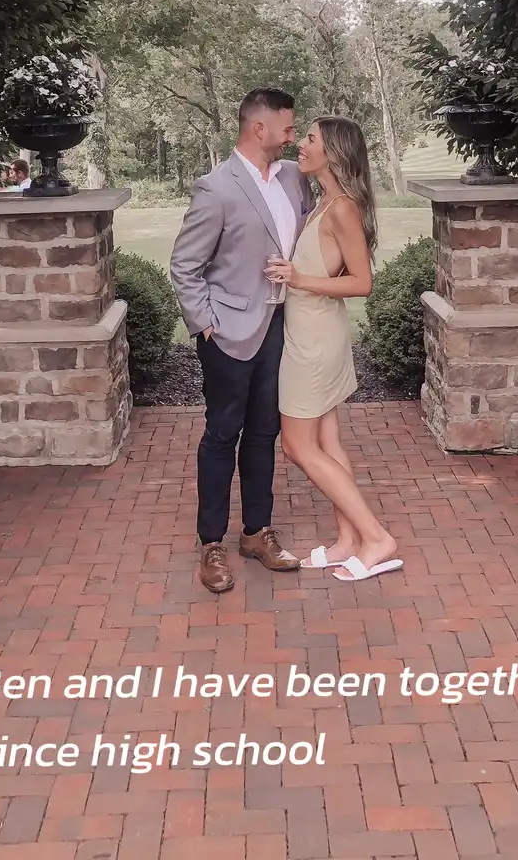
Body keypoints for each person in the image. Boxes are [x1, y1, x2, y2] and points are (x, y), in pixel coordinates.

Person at [170, 88, 312, 594]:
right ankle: (212, 543)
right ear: (260, 128)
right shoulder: (217, 187)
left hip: (282, 326)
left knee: (263, 433)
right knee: (221, 435)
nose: (294, 137)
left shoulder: (296, 179)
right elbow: (185, 266)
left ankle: (257, 533)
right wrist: (206, 325)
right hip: (227, 333)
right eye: (288, 128)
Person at [266, 116, 403, 584]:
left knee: (297, 445)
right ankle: (348, 541)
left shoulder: (342, 208)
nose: (300, 146)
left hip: (315, 343)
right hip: (310, 333)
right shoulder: (324, 203)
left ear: (335, 153)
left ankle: (376, 537)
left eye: (309, 139)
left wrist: (299, 278)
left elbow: (362, 282)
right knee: (326, 441)